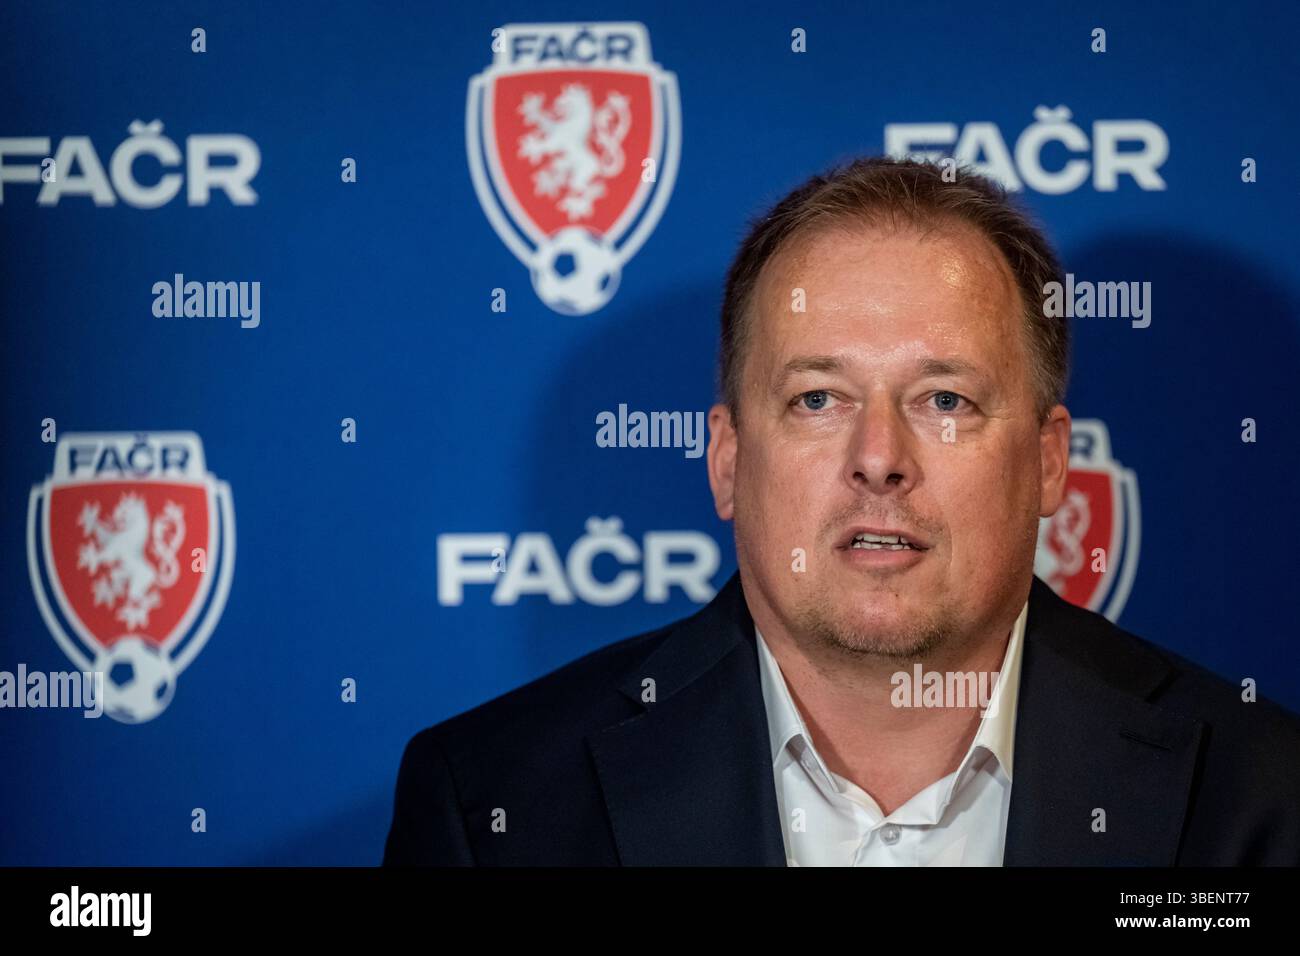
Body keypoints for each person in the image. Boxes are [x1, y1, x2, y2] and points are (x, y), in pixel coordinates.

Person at [383, 156, 1300, 866]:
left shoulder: (1261, 795)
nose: (879, 461)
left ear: (1050, 463)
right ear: (729, 460)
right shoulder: (495, 806)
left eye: (945, 400)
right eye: (818, 399)